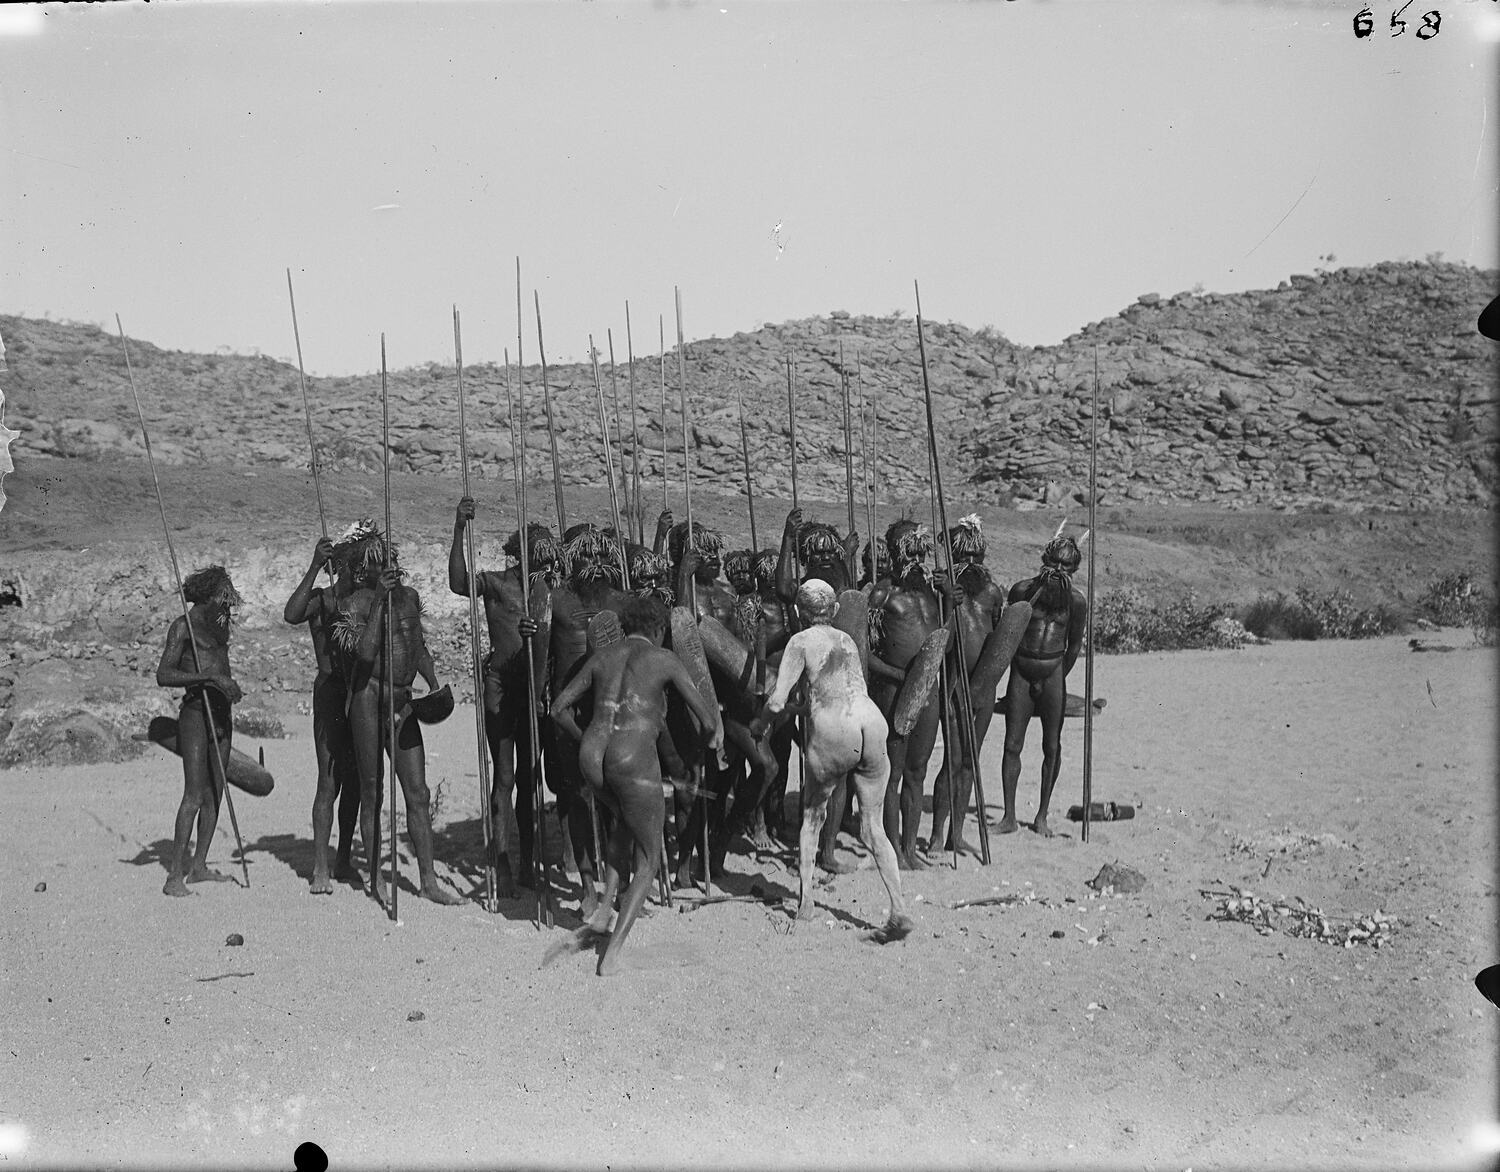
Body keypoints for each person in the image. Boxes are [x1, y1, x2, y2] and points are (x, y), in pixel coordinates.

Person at [550, 596, 722, 976]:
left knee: (626, 825)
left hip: (592, 756)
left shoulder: (603, 656)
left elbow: (557, 708)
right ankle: (613, 953)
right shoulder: (664, 659)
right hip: (631, 758)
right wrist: (696, 758)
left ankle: (602, 912)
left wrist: (589, 741)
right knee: (648, 857)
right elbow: (708, 720)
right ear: (659, 629)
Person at [753, 580, 911, 940]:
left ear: (798, 613)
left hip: (834, 729)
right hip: (870, 722)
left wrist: (759, 723)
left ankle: (806, 902)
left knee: (812, 815)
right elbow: (843, 684)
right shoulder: (846, 640)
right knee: (874, 828)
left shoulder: (800, 642)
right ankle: (899, 908)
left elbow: (777, 701)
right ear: (834, 611)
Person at [334, 521, 463, 908]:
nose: (386, 564)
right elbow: (366, 654)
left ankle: (428, 881)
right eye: (376, 562)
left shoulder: (408, 597)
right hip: (368, 701)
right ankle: (374, 879)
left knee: (418, 793)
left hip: (404, 701)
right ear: (363, 570)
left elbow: (417, 644)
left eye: (388, 557)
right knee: (373, 791)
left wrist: (433, 680)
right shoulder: (354, 603)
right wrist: (377, 604)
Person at [449, 498, 561, 894]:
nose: (542, 563)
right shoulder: (496, 583)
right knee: (505, 777)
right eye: (536, 555)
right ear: (519, 554)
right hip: (500, 686)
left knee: (530, 781)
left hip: (532, 688)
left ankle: (528, 863)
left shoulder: (547, 592)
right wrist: (460, 528)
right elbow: (459, 584)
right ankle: (501, 864)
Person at [543, 524, 630, 914]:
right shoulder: (556, 600)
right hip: (571, 716)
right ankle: (587, 884)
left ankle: (617, 883)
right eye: (585, 556)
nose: (594, 563)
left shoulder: (620, 599)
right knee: (577, 797)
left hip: (613, 713)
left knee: (616, 799)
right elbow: (543, 662)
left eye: (600, 556)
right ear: (570, 559)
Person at [866, 519, 963, 869]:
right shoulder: (882, 594)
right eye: (910, 547)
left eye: (920, 548)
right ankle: (893, 850)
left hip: (929, 692)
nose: (918, 554)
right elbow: (866, 655)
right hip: (894, 693)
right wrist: (902, 678)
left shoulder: (933, 595)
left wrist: (950, 601)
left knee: (917, 771)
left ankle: (909, 848)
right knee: (892, 772)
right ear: (895, 553)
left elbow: (945, 642)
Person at [155, 565, 244, 897]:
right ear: (208, 597)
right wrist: (209, 679)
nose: (228, 605)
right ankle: (173, 876)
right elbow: (164, 675)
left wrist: (230, 687)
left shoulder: (219, 628)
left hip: (222, 715)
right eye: (223, 599)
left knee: (215, 793)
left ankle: (200, 866)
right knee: (193, 794)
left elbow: (221, 667)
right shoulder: (184, 628)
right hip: (195, 714)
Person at [283, 535, 361, 894]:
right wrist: (315, 565)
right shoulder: (323, 600)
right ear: (339, 567)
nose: (359, 573)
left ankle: (343, 858)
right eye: (353, 566)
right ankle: (320, 868)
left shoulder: (364, 599)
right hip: (331, 692)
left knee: (357, 781)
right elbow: (291, 614)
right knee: (329, 780)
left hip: (358, 693)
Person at [996, 534, 1088, 838]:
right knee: (1012, 743)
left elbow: (1073, 646)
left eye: (1066, 566)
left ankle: (1041, 816)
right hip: (1020, 673)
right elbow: (1007, 634)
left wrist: (1056, 675)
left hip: (1053, 675)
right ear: (1043, 561)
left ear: (1074, 570)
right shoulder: (1022, 590)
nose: (1058, 570)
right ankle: (1009, 817)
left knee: (1051, 745)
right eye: (1054, 563)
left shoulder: (1075, 601)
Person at [928, 515, 1007, 857]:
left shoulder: (992, 593)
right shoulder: (942, 591)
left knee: (970, 762)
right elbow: (940, 639)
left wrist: (989, 683)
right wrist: (947, 598)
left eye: (977, 557)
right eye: (966, 557)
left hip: (983, 689)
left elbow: (1002, 641)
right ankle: (935, 835)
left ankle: (956, 834)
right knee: (953, 759)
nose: (972, 564)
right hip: (954, 684)